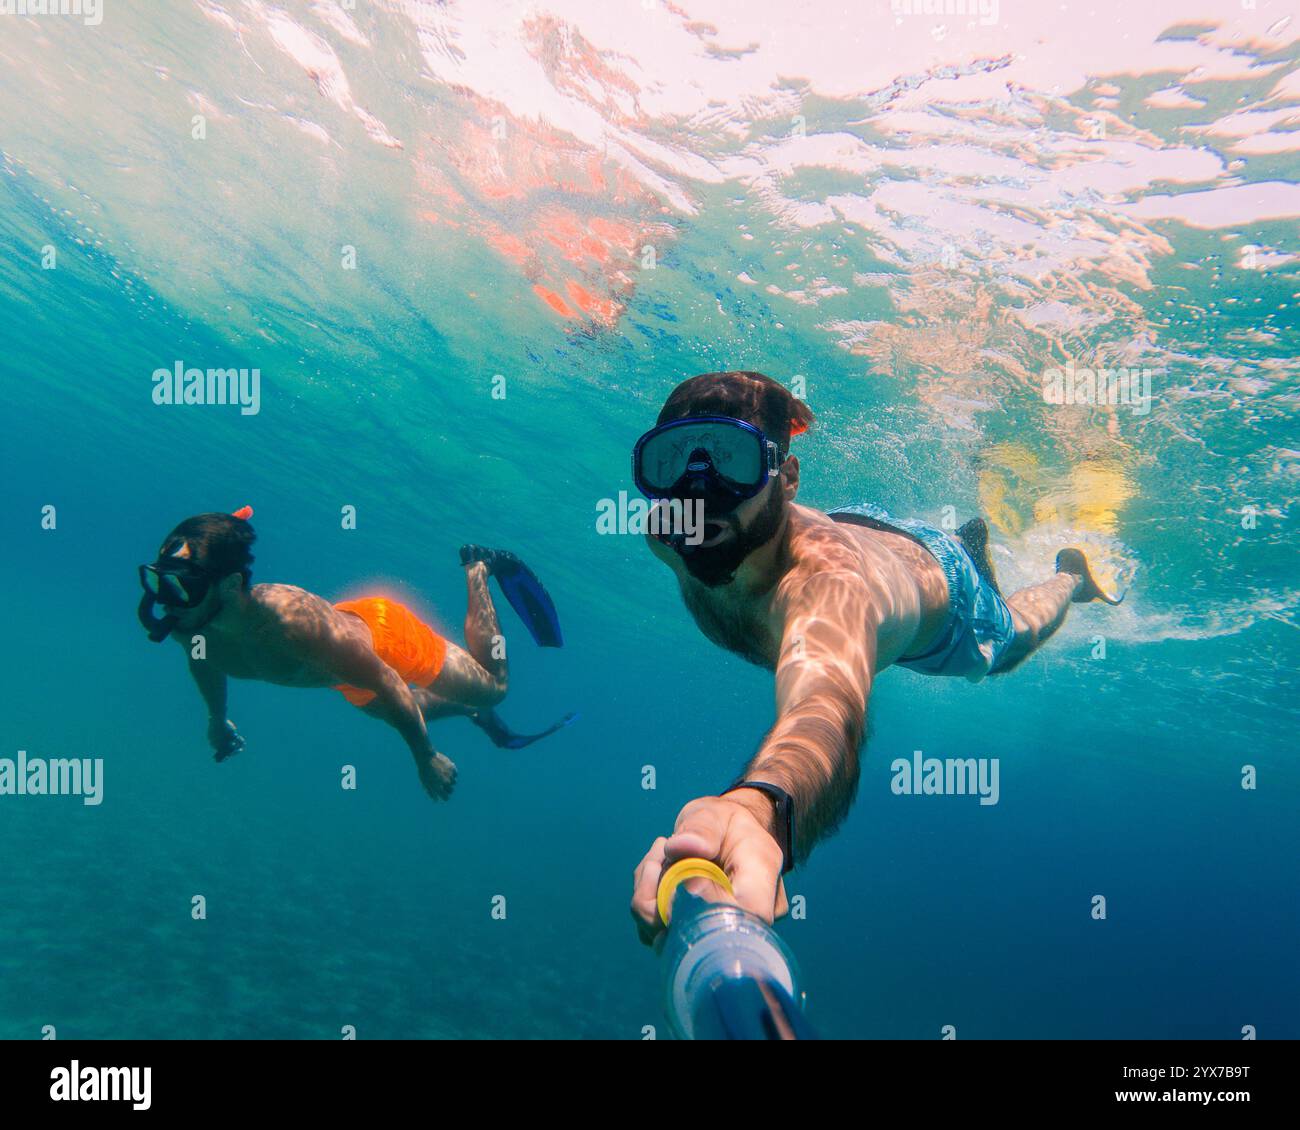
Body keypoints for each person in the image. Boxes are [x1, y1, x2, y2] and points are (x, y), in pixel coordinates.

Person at [628, 372, 1121, 941]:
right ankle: (965, 540)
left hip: (947, 597)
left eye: (731, 461)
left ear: (787, 477)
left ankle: (1069, 578)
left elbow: (826, 707)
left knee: (1011, 643)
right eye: (670, 464)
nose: (698, 497)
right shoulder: (667, 534)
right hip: (861, 529)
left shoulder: (827, 589)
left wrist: (760, 810)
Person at [137, 507, 573, 801]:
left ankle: (478, 567)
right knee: (389, 707)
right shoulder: (192, 623)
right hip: (338, 668)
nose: (167, 600)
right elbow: (202, 660)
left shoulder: (291, 626)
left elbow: (385, 679)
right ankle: (467, 710)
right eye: (160, 582)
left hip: (385, 639)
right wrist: (216, 719)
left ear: (231, 586)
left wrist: (426, 758)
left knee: (493, 689)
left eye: (181, 587)